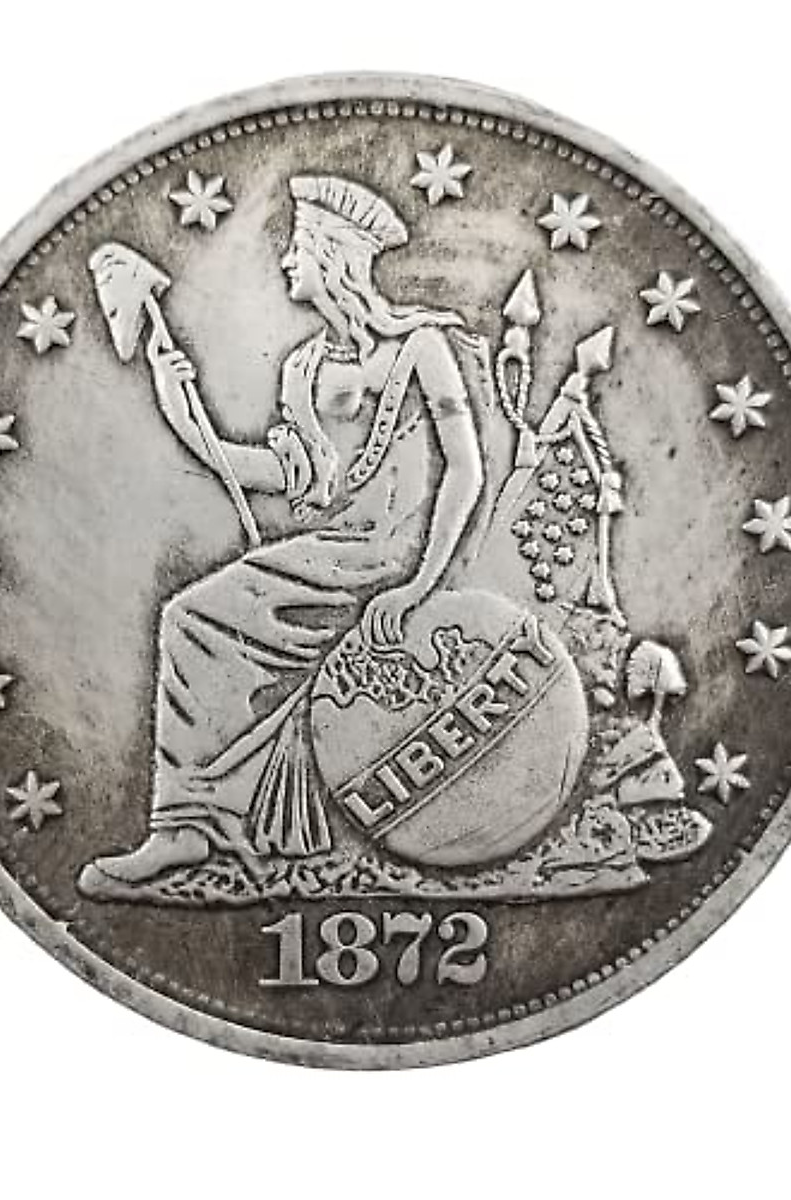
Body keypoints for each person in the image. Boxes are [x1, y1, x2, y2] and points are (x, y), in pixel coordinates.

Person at [79, 175, 486, 891]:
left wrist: (421, 583)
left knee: (194, 618)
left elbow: (467, 470)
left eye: (299, 246)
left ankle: (189, 826)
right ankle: (187, 826)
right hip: (332, 554)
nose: (288, 260)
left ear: (333, 255)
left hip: (393, 554)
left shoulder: (420, 347)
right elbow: (272, 475)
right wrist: (177, 406)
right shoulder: (302, 369)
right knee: (192, 618)